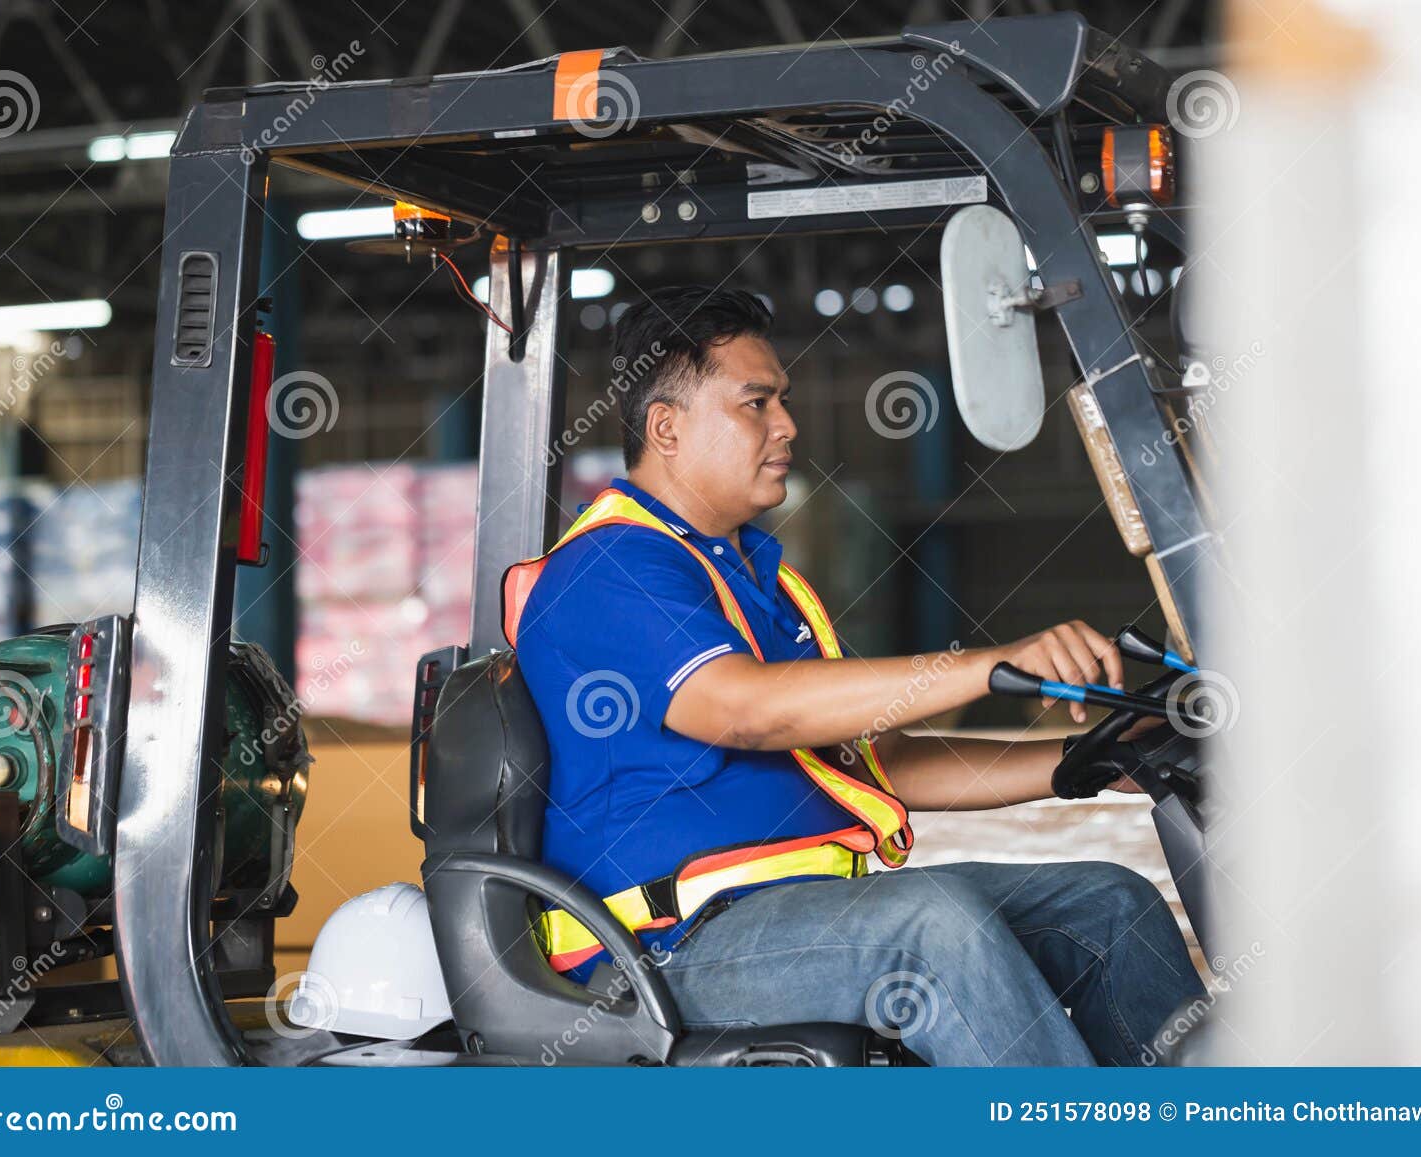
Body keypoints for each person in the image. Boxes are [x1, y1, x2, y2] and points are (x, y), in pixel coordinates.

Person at [510, 286, 1204, 1066]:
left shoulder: (758, 582)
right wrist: (983, 666)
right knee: (930, 922)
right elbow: (743, 710)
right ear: (666, 427)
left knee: (1112, 906)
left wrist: (1086, 761)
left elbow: (883, 763)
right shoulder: (610, 568)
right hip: (667, 947)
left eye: (784, 401)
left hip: (796, 914)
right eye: (757, 403)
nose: (788, 426)